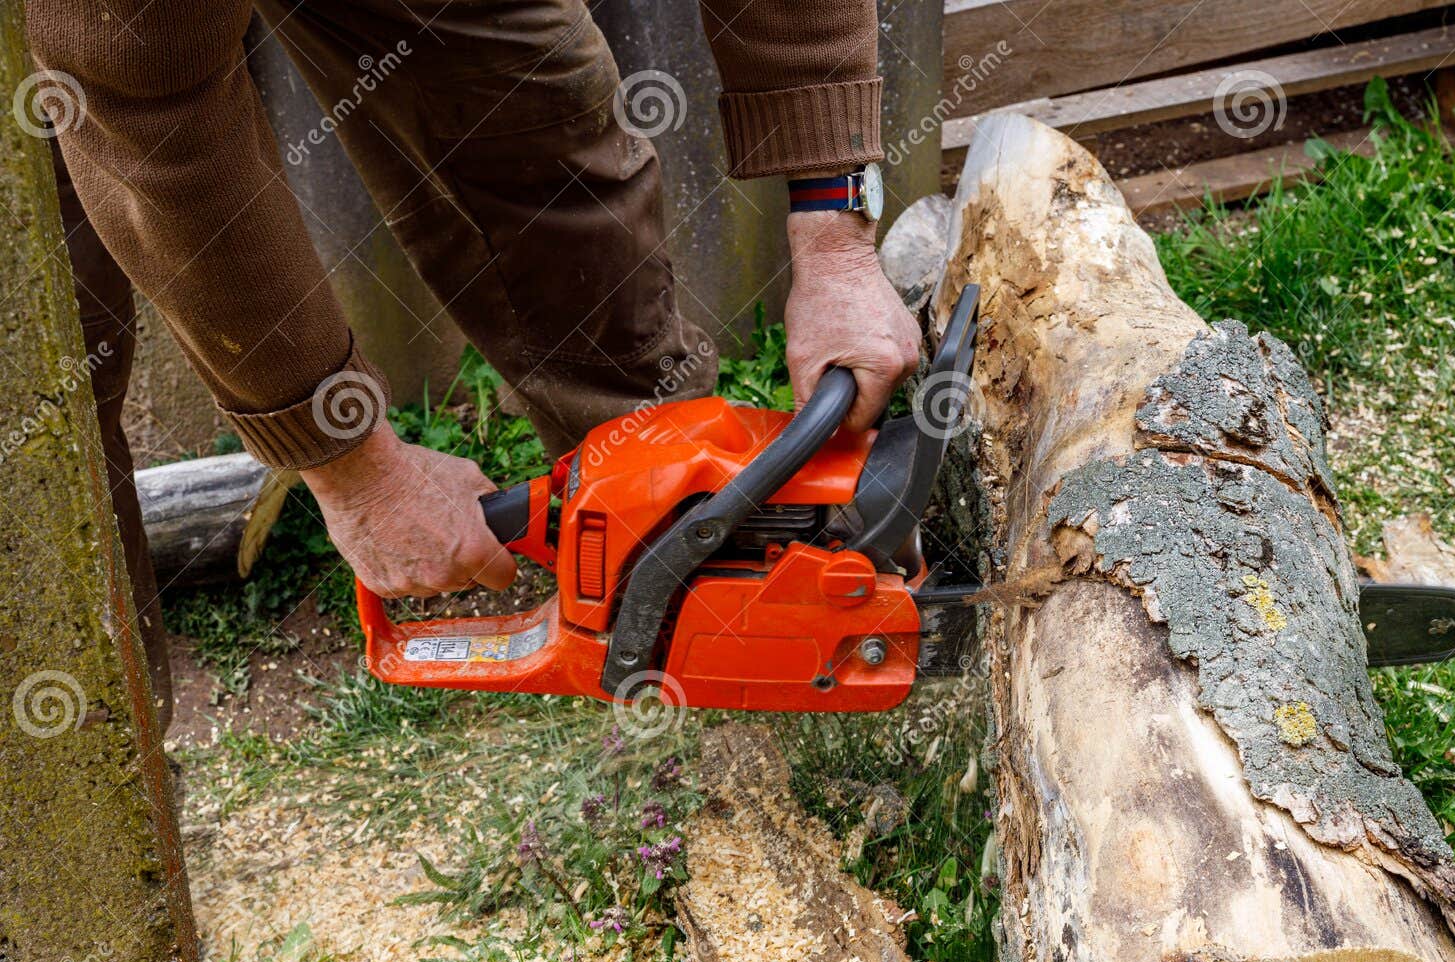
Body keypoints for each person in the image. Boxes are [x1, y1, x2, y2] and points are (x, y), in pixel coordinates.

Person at [26, 0, 921, 725]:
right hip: (112, 43)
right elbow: (144, 109)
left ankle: (698, 605)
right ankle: (101, 793)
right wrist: (353, 469)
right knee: (50, 372)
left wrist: (834, 225)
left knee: (544, 132)